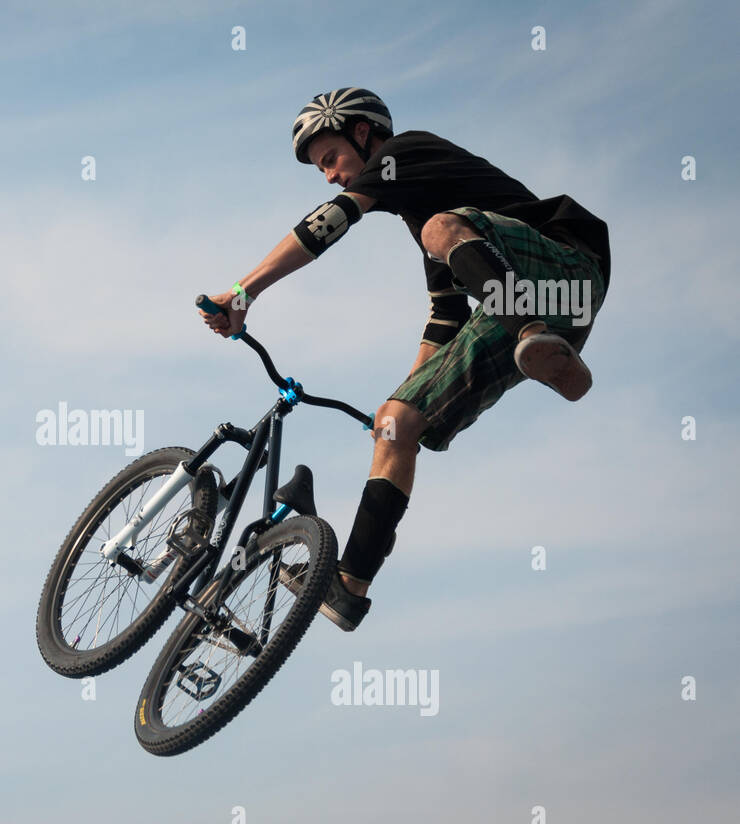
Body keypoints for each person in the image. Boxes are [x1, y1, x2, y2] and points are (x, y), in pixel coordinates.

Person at [200, 87, 610, 631]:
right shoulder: (427, 224)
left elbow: (331, 220)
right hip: (529, 307)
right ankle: (349, 584)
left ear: (363, 135)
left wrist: (243, 292)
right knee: (397, 425)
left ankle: (531, 330)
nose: (330, 175)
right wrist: (401, 397)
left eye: (332, 159)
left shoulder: (407, 153)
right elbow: (445, 315)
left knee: (445, 229)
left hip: (568, 270)